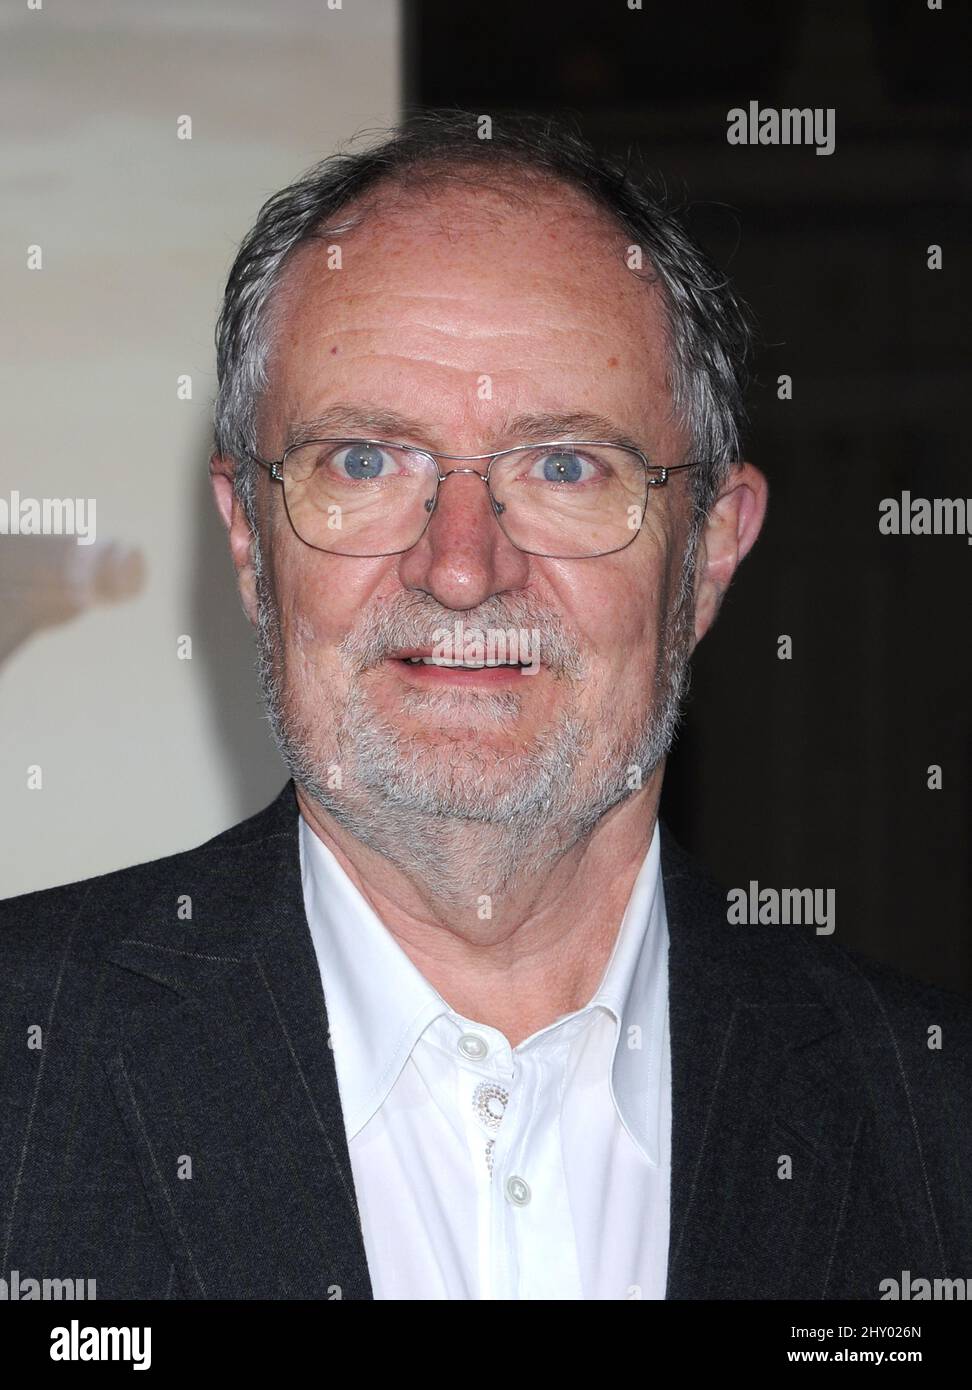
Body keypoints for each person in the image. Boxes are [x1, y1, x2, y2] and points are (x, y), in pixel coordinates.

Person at [1, 112, 969, 1301]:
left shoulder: (937, 1125)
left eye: (563, 465)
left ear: (711, 553)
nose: (461, 566)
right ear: (250, 540)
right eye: (364, 460)